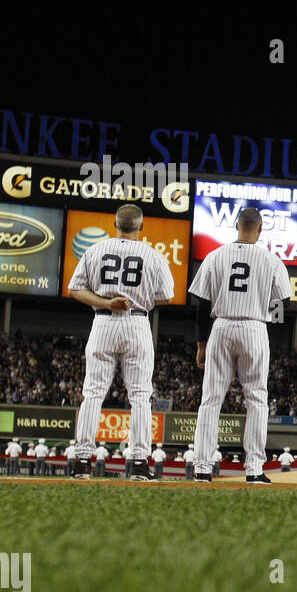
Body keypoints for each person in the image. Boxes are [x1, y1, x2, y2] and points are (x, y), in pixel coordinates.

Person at [67, 203, 174, 481]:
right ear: (142, 226)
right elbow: (167, 295)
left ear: (115, 224)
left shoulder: (95, 250)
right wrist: (139, 299)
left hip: (103, 321)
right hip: (137, 322)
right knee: (140, 395)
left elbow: (75, 289)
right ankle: (139, 464)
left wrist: (106, 302)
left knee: (93, 392)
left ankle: (81, 461)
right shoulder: (152, 255)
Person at [189, 206, 293, 484]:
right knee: (257, 399)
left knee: (211, 399)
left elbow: (202, 305)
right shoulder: (271, 260)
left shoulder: (215, 256)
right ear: (259, 229)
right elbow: (283, 304)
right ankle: (254, 470)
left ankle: (201, 468)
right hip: (254, 326)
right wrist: (263, 318)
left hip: (220, 326)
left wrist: (201, 344)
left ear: (237, 226)